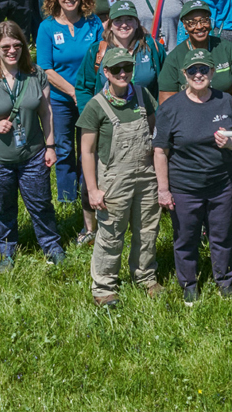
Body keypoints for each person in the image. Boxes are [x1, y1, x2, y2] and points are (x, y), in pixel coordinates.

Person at [0, 21, 65, 273]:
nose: (12, 50)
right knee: (3, 207)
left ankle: (51, 246)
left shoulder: (35, 73)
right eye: (6, 46)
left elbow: (46, 111)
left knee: (41, 203)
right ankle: (7, 252)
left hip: (33, 154)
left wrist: (50, 146)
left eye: (17, 45)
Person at [153, 47, 232, 303]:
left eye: (204, 69)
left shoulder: (225, 101)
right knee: (185, 239)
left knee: (222, 236)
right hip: (185, 187)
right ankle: (189, 285)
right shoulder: (171, 107)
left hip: (221, 184)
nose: (199, 74)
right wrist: (163, 190)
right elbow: (160, 151)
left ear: (213, 72)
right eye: (193, 70)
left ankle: (225, 282)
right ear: (184, 74)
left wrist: (230, 142)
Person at [76, 45, 162, 307]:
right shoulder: (95, 106)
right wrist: (92, 189)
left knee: (147, 229)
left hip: (146, 174)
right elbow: (87, 151)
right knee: (112, 232)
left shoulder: (143, 96)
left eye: (128, 68)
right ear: (106, 73)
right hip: (114, 179)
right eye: (116, 69)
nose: (123, 73)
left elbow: (154, 130)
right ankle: (103, 287)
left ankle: (146, 276)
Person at [35, 0, 103, 238]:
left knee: (89, 149)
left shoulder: (93, 23)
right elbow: (45, 68)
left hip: (91, 99)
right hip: (61, 100)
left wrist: (87, 93)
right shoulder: (47, 28)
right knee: (63, 149)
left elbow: (101, 58)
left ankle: (89, 196)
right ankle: (66, 202)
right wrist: (74, 91)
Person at [159, 0, 232, 111]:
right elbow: (166, 99)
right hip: (189, 118)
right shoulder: (174, 57)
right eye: (192, 23)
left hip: (224, 114)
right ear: (185, 26)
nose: (199, 26)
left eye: (204, 20)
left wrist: (226, 114)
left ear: (210, 22)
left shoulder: (227, 48)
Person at [74, 1, 168, 104]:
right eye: (118, 20)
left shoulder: (152, 48)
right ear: (110, 25)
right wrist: (91, 116)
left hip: (146, 115)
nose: (124, 25)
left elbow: (167, 85)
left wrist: (159, 115)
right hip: (108, 117)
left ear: (137, 23)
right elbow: (84, 88)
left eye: (129, 19)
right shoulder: (97, 50)